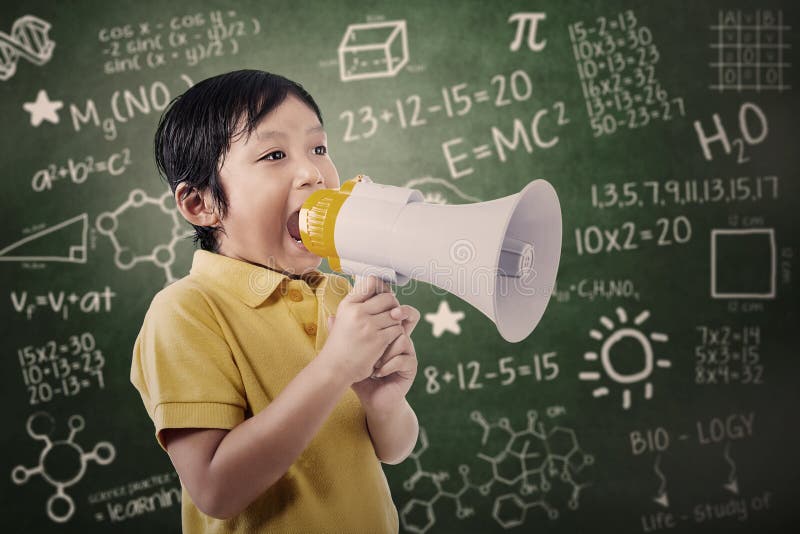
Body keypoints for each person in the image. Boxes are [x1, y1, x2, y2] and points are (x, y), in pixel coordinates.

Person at [130, 69, 420, 533]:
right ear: (201, 203)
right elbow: (215, 490)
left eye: (319, 149)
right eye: (274, 154)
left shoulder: (338, 293)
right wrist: (336, 367)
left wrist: (385, 402)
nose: (312, 172)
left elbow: (394, 449)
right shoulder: (185, 312)